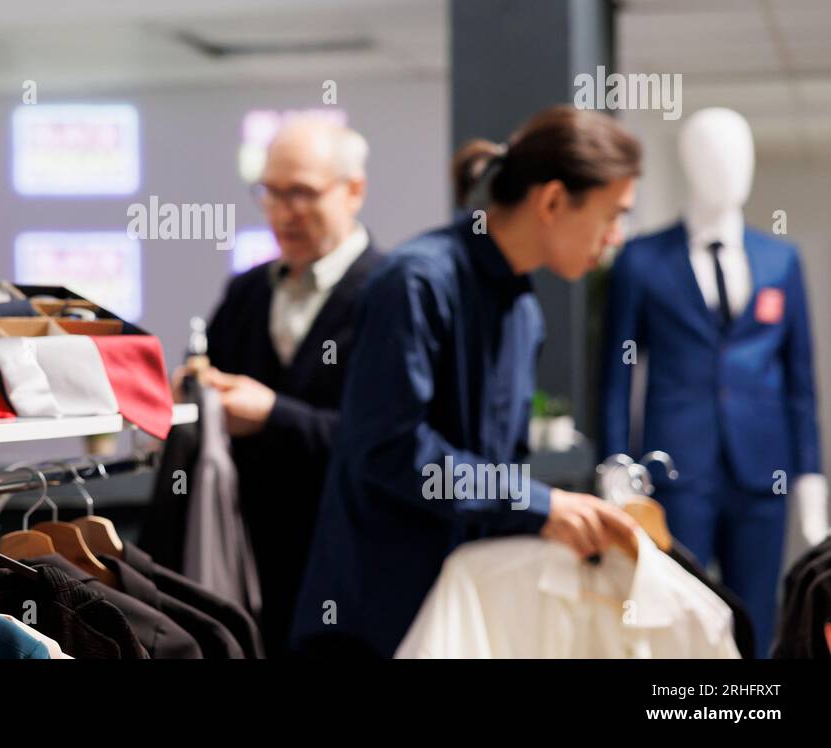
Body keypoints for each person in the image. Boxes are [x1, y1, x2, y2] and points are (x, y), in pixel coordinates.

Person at [291, 105, 645, 658]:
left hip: (465, 609)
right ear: (552, 201)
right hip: (374, 621)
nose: (616, 237)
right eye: (612, 215)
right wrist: (539, 506)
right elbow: (390, 449)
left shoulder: (524, 314)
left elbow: (495, 466)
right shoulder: (416, 281)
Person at [186, 117, 385, 657]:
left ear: (354, 190)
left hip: (351, 569)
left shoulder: (390, 295)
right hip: (249, 568)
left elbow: (391, 442)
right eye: (269, 193)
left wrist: (274, 413)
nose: (281, 212)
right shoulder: (247, 291)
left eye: (301, 192)